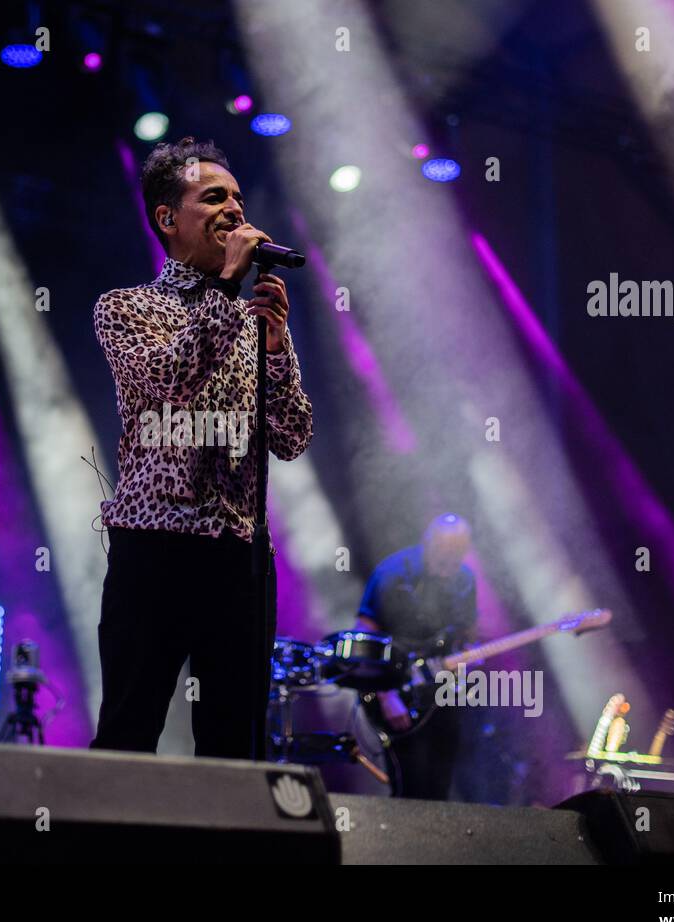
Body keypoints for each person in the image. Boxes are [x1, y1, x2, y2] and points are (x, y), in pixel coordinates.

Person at [90, 136, 313, 758]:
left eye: (239, 198)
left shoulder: (246, 322)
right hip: (154, 548)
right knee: (129, 730)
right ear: (168, 218)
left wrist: (274, 347)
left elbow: (292, 438)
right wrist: (223, 288)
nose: (235, 211)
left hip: (239, 557)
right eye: (213, 197)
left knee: (235, 745)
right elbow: (174, 385)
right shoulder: (127, 309)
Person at [356, 513, 478, 799]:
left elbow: (468, 636)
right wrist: (386, 696)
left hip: (442, 695)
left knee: (439, 786)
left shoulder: (464, 580)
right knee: (409, 786)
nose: (450, 560)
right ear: (428, 543)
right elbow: (365, 639)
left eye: (457, 553)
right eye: (444, 551)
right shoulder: (393, 573)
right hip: (396, 693)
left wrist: (471, 655)